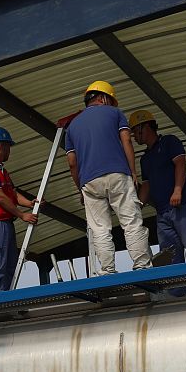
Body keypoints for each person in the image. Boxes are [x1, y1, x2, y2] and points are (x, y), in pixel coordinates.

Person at [64, 80, 152, 275]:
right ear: (104, 98)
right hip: (117, 173)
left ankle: (107, 270)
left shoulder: (72, 127)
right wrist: (133, 172)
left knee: (100, 228)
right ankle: (142, 265)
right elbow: (126, 140)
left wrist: (81, 187)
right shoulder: (115, 114)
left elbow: (72, 162)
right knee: (131, 221)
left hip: (89, 181)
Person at [128, 109, 186, 295]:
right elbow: (147, 186)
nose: (133, 136)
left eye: (135, 130)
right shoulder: (145, 159)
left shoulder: (169, 142)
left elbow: (180, 164)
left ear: (145, 126)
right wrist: (137, 208)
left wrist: (177, 190)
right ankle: (177, 295)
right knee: (169, 256)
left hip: (182, 205)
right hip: (162, 213)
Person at [0, 127, 38, 293]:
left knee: (9, 264)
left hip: (4, 223)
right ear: (2, 146)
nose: (10, 150)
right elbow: (0, 197)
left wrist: (30, 204)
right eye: (9, 146)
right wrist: (22, 215)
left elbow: (12, 194)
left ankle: (6, 299)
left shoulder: (0, 169)